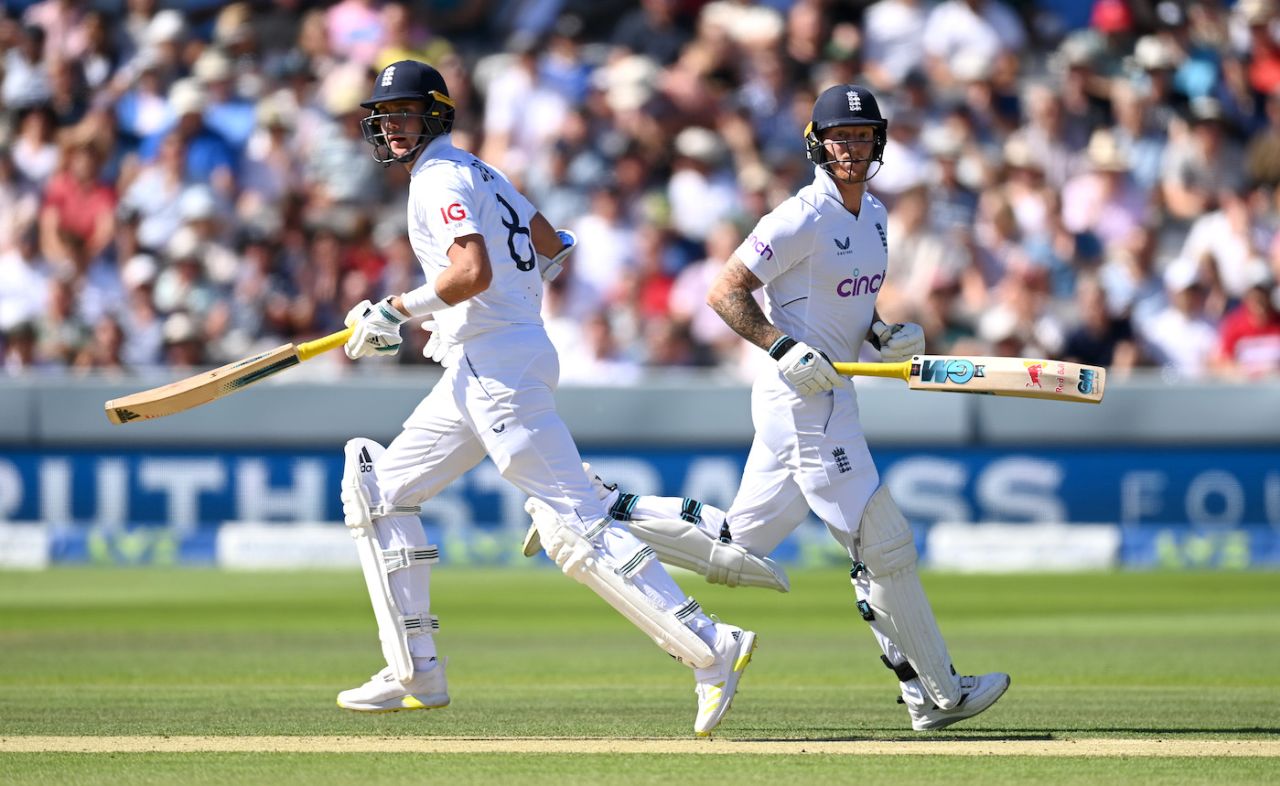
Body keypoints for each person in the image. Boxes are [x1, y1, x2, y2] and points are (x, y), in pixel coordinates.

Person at [526, 84, 1009, 732]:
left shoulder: (875, 215)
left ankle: (594, 508)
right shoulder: (799, 216)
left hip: (829, 394)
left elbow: (842, 299)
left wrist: (881, 331)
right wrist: (783, 346)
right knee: (883, 543)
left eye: (863, 136)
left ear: (879, 142)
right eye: (840, 137)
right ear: (817, 144)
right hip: (803, 400)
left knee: (738, 547)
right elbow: (725, 291)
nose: (852, 148)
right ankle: (937, 692)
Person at [335, 60, 755, 736]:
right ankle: (415, 671)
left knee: (575, 525)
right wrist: (499, 301)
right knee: (378, 492)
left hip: (497, 367)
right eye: (385, 118)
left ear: (436, 116)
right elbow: (550, 243)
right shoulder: (480, 170)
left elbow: (471, 271)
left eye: (405, 115)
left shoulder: (437, 179)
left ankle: (711, 645)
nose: (393, 129)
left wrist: (394, 311)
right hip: (488, 360)